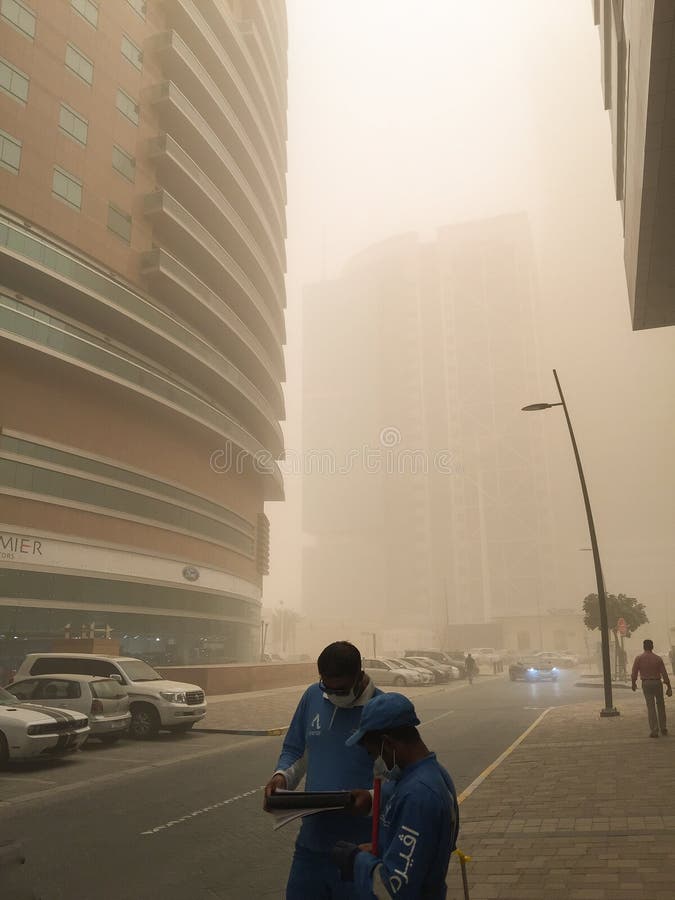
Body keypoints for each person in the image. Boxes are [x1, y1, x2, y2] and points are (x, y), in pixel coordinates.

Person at [264, 641, 381, 898]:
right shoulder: (312, 696)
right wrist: (281, 777)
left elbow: (397, 778)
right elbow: (295, 749)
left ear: (359, 675)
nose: (333, 695)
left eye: (341, 690)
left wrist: (371, 800)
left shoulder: (381, 709)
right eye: (327, 687)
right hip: (312, 842)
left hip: (358, 848)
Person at [331, 693, 459, 899]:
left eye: (374, 753)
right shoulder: (428, 775)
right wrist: (383, 849)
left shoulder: (419, 796)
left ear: (388, 744)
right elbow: (420, 852)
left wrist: (356, 860)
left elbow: (395, 889)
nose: (375, 762)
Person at [631, 639, 672, 737]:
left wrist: (633, 683)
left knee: (651, 707)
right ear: (652, 647)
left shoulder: (639, 658)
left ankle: (654, 730)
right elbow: (664, 673)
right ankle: (663, 727)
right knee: (661, 705)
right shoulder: (658, 659)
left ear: (644, 647)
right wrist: (668, 686)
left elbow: (634, 672)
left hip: (646, 683)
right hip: (657, 682)